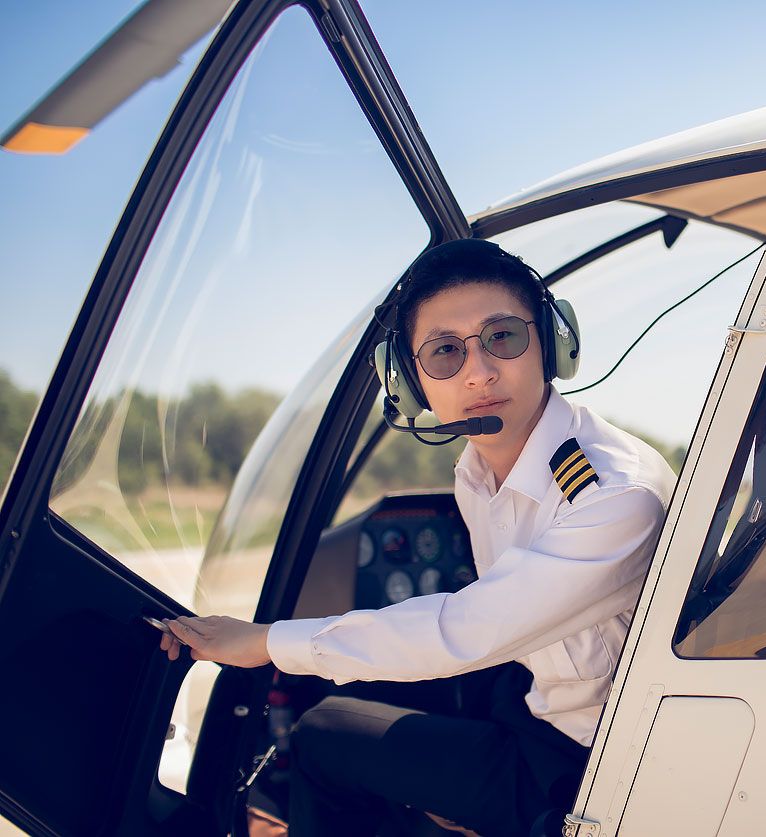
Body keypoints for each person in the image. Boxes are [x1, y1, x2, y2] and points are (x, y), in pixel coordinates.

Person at [159, 239, 677, 837]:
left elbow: (461, 630)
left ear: (553, 345)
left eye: (503, 337)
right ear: (410, 382)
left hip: (591, 759)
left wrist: (265, 643)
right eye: (445, 353)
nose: (480, 372)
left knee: (325, 737)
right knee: (377, 685)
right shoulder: (478, 471)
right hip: (533, 692)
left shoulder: (613, 496)